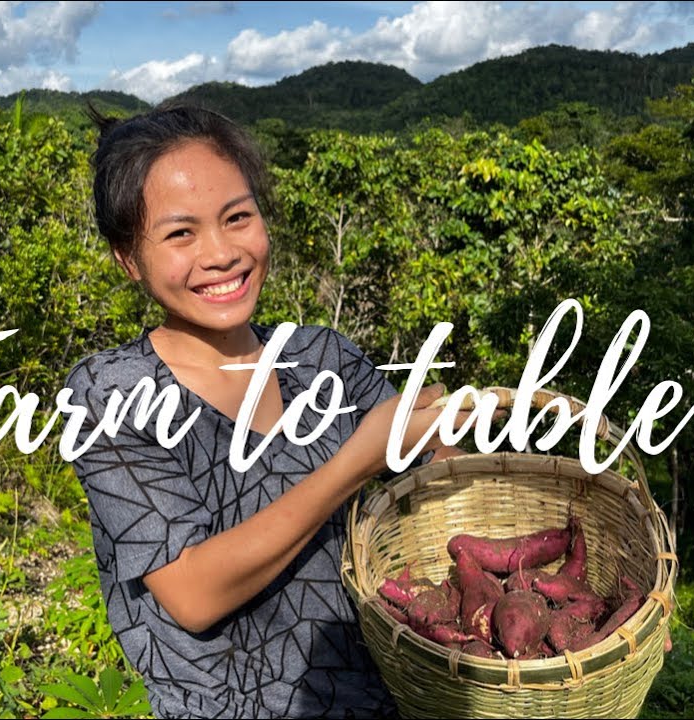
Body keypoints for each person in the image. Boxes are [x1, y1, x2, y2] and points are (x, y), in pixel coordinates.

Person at [64, 103, 467, 719]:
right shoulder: (110, 396)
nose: (221, 253)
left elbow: (443, 496)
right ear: (128, 259)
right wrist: (359, 459)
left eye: (237, 218)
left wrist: (450, 445)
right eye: (180, 234)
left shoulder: (324, 358)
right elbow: (194, 592)